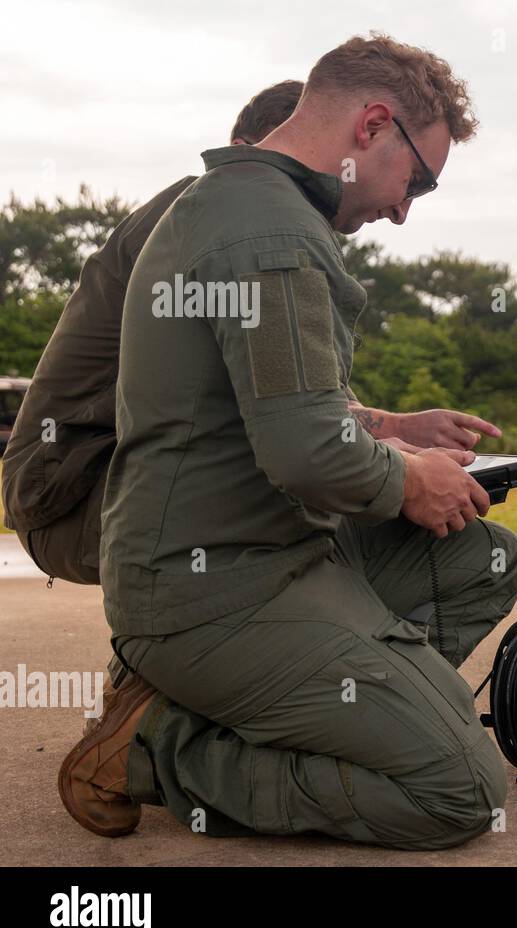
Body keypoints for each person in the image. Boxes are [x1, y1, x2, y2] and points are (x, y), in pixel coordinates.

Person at [56, 32, 517, 851]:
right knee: (461, 789)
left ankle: (272, 706)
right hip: (217, 592)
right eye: (416, 179)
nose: (404, 209)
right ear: (372, 125)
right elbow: (306, 450)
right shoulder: (269, 237)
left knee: (482, 558)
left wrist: (399, 448)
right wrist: (413, 481)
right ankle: (159, 748)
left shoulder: (239, 205)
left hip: (262, 557)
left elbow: (288, 417)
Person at [2, 80, 304, 588]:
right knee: (310, 497)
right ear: (239, 153)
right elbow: (272, 401)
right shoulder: (198, 214)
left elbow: (294, 386)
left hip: (99, 481)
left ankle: (166, 662)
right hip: (64, 493)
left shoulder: (244, 226)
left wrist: (380, 427)